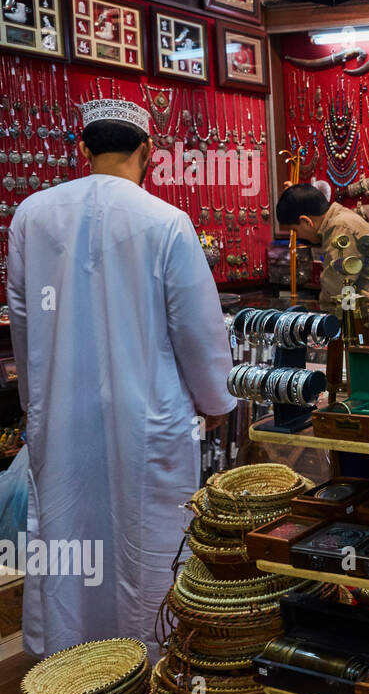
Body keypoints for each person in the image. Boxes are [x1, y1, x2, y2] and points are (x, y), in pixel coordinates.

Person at [7, 99, 233, 659]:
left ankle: (68, 668)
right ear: (148, 152)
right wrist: (216, 400)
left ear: (83, 151)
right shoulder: (166, 222)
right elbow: (199, 331)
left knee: (66, 539)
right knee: (147, 544)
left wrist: (39, 406)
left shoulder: (31, 216)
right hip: (146, 418)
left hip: (61, 419)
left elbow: (25, 326)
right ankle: (150, 664)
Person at [275, 183, 369, 318]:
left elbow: (336, 288)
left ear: (306, 221)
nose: (297, 236)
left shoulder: (341, 227)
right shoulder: (339, 220)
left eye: (295, 230)